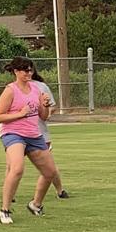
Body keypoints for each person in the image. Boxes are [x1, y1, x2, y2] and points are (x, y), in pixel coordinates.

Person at [0, 57, 60, 224]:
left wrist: (44, 105)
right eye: (25, 70)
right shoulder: (10, 90)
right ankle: (5, 209)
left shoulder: (36, 89)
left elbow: (43, 117)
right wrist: (20, 114)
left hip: (34, 134)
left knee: (50, 172)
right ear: (16, 72)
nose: (29, 73)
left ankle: (36, 204)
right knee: (17, 168)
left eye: (31, 70)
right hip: (13, 133)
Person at [31, 69, 68, 199]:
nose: (27, 73)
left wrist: (46, 113)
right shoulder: (12, 88)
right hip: (19, 133)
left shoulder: (41, 86)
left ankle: (60, 190)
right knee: (13, 165)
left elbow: (52, 107)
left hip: (40, 133)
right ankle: (10, 195)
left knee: (48, 165)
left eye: (29, 69)